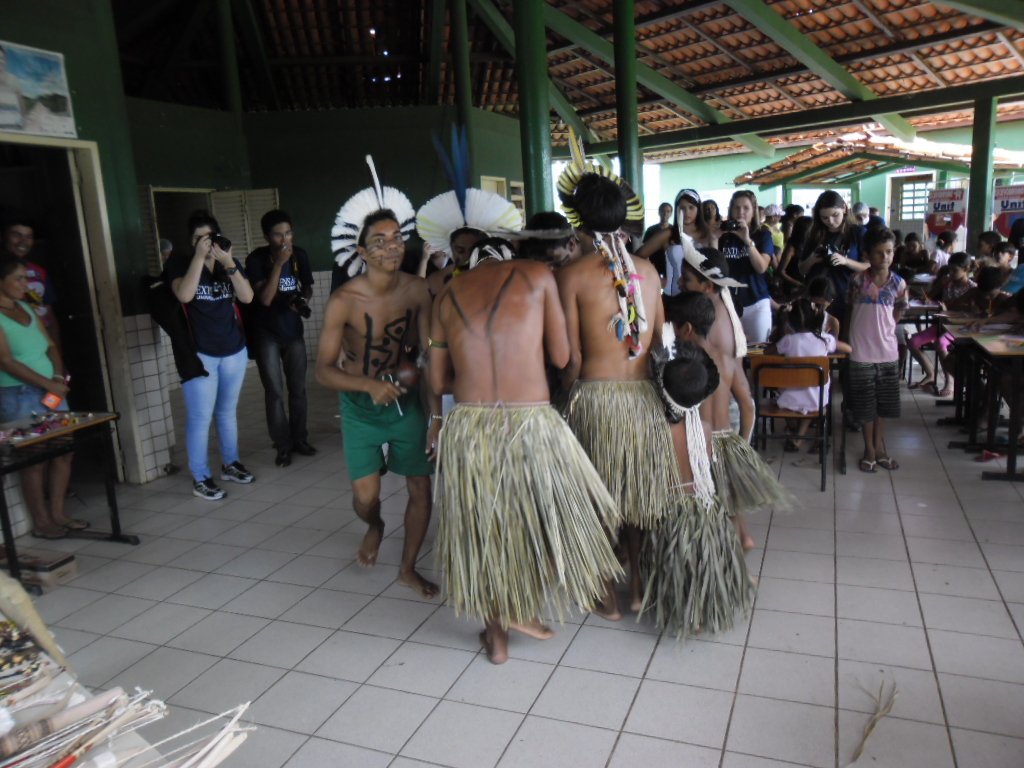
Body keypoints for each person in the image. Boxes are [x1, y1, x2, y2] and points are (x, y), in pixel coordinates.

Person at [430, 234, 621, 664]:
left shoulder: (446, 294)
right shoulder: (536, 275)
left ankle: (497, 640)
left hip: (469, 425)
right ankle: (530, 608)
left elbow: (437, 381)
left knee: (486, 529)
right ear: (508, 254)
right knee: (542, 518)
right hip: (530, 420)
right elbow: (560, 356)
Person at [556, 160, 676, 618]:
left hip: (596, 400)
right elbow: (661, 340)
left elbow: (573, 359)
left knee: (600, 495)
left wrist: (565, 400)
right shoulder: (648, 270)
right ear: (624, 216)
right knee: (638, 498)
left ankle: (607, 594)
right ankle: (641, 585)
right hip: (643, 399)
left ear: (578, 219)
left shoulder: (572, 276)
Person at [317, 161, 440, 599]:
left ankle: (407, 568)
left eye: (397, 238)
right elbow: (324, 369)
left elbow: (428, 351)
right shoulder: (343, 300)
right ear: (363, 252)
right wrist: (369, 385)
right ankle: (375, 525)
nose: (392, 246)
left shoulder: (418, 290)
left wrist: (435, 406)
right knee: (366, 498)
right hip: (360, 405)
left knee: (420, 486)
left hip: (406, 401)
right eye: (380, 241)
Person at [640, 336, 754, 638]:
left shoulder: (660, 430)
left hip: (673, 509)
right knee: (702, 559)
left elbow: (656, 472)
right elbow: (707, 466)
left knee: (681, 561)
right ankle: (703, 611)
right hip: (704, 507)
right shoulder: (702, 428)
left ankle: (688, 613)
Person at [669, 291, 792, 551]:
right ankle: (744, 537)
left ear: (686, 329)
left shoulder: (683, 367)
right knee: (731, 499)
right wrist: (744, 446)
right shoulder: (726, 358)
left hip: (701, 445)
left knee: (711, 504)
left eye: (673, 327)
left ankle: (725, 551)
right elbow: (748, 406)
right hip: (727, 441)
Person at [163, 211, 256, 499]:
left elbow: (247, 297)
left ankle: (231, 464)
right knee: (200, 418)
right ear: (191, 242)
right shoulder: (179, 263)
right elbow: (185, 295)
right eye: (198, 239)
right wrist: (198, 258)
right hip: (199, 355)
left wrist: (227, 261)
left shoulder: (228, 263)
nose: (205, 244)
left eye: (209, 238)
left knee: (227, 412)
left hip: (234, 350)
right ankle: (201, 477)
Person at [0, 258, 79, 539]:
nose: (26, 284)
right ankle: (43, 522)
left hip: (51, 393)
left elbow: (51, 346)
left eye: (26, 278)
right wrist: (47, 383)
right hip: (18, 395)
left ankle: (58, 513)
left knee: (64, 449)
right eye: (18, 278)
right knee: (34, 458)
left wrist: (57, 380)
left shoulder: (26, 307)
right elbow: (6, 362)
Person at [245, 209, 317, 468]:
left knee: (298, 389)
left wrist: (303, 299)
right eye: (278, 235)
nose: (285, 240)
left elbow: (307, 285)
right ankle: (282, 445)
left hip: (293, 332)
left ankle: (300, 439)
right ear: (267, 236)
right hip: (266, 334)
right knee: (274, 392)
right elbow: (264, 299)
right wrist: (278, 263)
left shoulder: (300, 255)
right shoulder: (256, 259)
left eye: (288, 233)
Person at [846, 227, 908, 473]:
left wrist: (887, 328)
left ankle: (880, 447)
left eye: (889, 252)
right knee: (864, 404)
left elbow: (898, 312)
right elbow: (850, 310)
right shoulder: (857, 281)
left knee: (882, 405)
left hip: (888, 351)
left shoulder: (899, 283)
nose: (885, 257)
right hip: (860, 349)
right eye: (879, 253)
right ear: (867, 255)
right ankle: (868, 449)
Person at [764, 297, 839, 451]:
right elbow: (848, 349)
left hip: (787, 400)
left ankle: (793, 430)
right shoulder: (825, 340)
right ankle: (798, 435)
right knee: (810, 400)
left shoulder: (788, 340)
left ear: (791, 320)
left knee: (782, 395)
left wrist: (782, 332)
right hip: (817, 400)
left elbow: (767, 352)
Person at [798, 190, 869, 334]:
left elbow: (868, 266)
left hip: (846, 297)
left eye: (835, 215)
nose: (830, 221)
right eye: (824, 217)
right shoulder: (814, 234)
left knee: (844, 341)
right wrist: (812, 259)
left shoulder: (857, 233)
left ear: (844, 209)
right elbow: (802, 270)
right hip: (818, 299)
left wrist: (845, 261)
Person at [907, 252, 973, 397]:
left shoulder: (972, 288)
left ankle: (950, 381)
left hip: (959, 327)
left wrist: (952, 309)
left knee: (941, 343)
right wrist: (928, 300)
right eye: (949, 269)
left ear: (966, 269)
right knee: (912, 342)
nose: (951, 273)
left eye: (955, 270)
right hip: (942, 323)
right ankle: (931, 373)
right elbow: (931, 296)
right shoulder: (946, 281)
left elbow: (973, 310)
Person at [718, 190, 774, 343]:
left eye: (746, 208)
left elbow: (761, 267)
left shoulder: (763, 234)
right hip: (728, 304)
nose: (740, 212)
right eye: (736, 208)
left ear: (753, 211)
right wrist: (714, 236)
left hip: (756, 303)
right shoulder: (724, 235)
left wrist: (747, 240)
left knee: (758, 350)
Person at [0, 217, 61, 351]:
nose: (23, 241)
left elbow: (49, 314)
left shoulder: (39, 272)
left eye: (29, 237)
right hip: (12, 348)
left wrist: (58, 352)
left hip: (43, 344)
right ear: (2, 236)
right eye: (16, 235)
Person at [640, 189, 713, 296]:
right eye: (682, 208)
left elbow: (718, 267)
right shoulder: (668, 234)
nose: (687, 212)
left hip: (703, 298)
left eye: (691, 207)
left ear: (698, 209)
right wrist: (653, 277)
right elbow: (638, 256)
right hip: (674, 297)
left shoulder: (708, 234)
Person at [777, 215, 812, 288]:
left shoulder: (810, 243)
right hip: (794, 284)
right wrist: (799, 284)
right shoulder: (792, 246)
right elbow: (780, 271)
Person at [640, 202, 673, 278]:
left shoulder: (674, 231)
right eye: (663, 211)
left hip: (669, 264)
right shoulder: (651, 230)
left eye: (668, 211)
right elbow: (645, 248)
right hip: (654, 264)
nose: (665, 214)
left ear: (671, 214)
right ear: (659, 212)